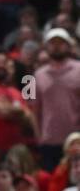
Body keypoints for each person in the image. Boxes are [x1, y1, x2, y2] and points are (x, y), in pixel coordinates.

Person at [33, 29, 80, 171]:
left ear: (68, 45)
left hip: (76, 139)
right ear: (46, 47)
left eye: (61, 43)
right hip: (49, 141)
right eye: (53, 43)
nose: (57, 46)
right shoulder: (36, 75)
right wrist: (38, 138)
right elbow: (33, 110)